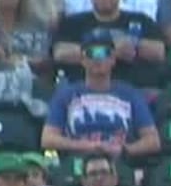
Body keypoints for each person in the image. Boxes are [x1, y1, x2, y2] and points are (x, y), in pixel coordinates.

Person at [41, 28, 161, 162]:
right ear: (82, 59)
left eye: (105, 53)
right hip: (77, 162)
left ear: (113, 59)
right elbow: (48, 139)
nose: (98, 59)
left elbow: (152, 140)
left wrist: (124, 150)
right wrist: (84, 146)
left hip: (119, 163)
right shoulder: (66, 94)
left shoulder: (130, 94)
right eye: (91, 53)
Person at [53, 0, 164, 86]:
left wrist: (133, 45)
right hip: (82, 91)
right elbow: (60, 53)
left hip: (135, 90)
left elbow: (159, 52)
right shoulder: (73, 23)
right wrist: (110, 51)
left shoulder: (141, 20)